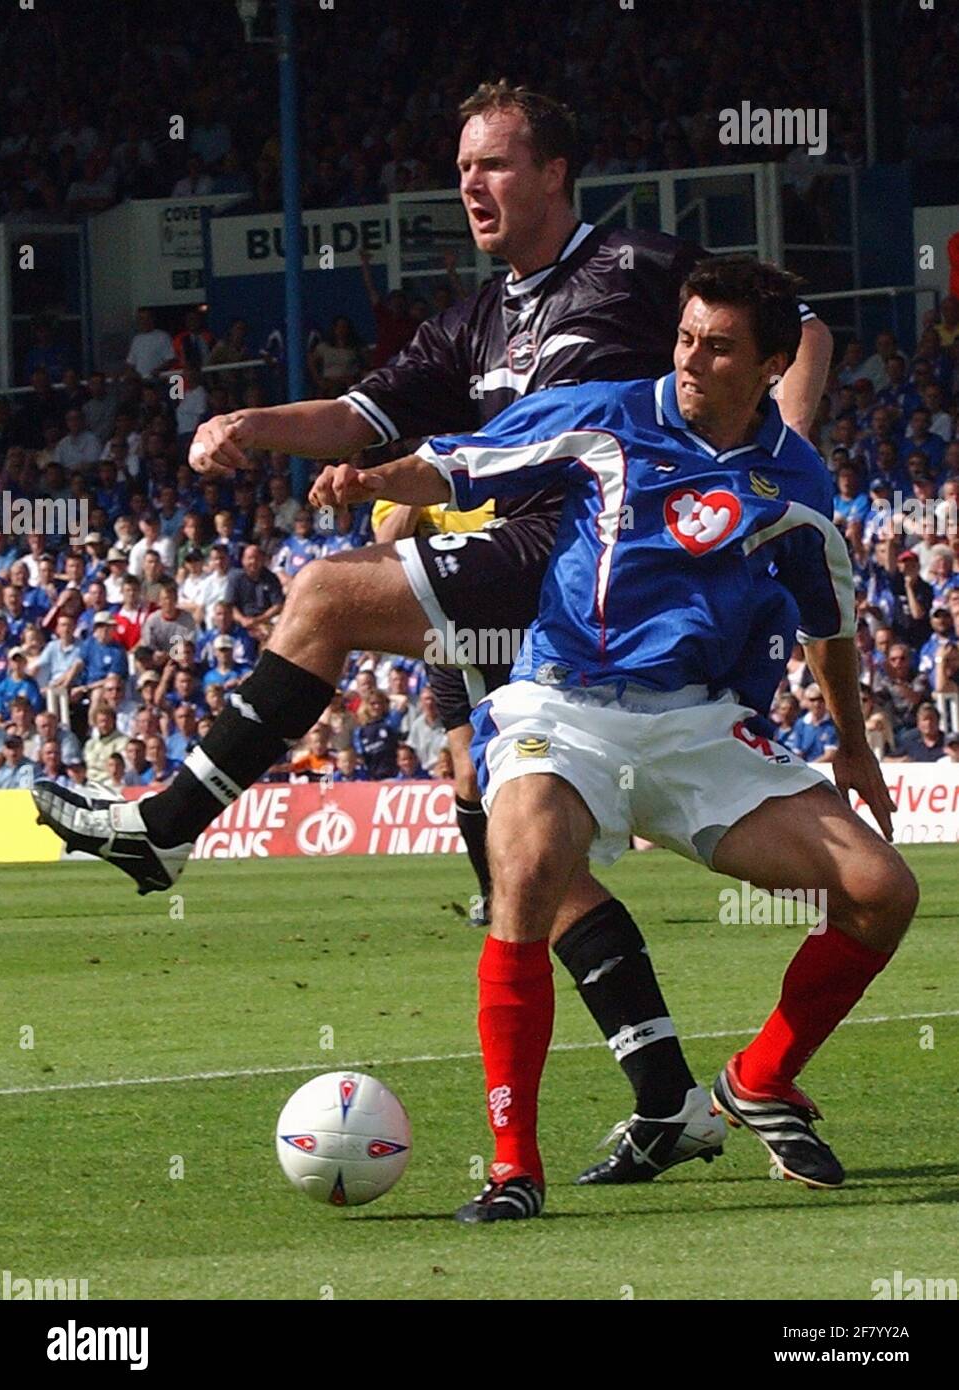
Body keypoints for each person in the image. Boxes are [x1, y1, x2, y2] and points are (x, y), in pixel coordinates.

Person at [31, 83, 830, 1185]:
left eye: (494, 163)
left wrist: (771, 454)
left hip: (575, 554)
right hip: (509, 567)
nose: (471, 184)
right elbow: (364, 417)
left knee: (322, 596)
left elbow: (802, 325)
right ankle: (666, 1097)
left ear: (554, 174)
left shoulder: (638, 269)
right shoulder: (473, 322)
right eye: (462, 167)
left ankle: (167, 825)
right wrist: (249, 424)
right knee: (487, 822)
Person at [307, 256, 915, 1219]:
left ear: (768, 365)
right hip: (564, 704)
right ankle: (515, 1169)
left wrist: (853, 742)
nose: (690, 361)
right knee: (531, 863)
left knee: (882, 891)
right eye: (685, 336)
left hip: (700, 726)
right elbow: (461, 459)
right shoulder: (609, 412)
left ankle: (757, 1081)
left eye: (718, 347)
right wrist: (372, 476)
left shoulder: (795, 478)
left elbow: (825, 615)